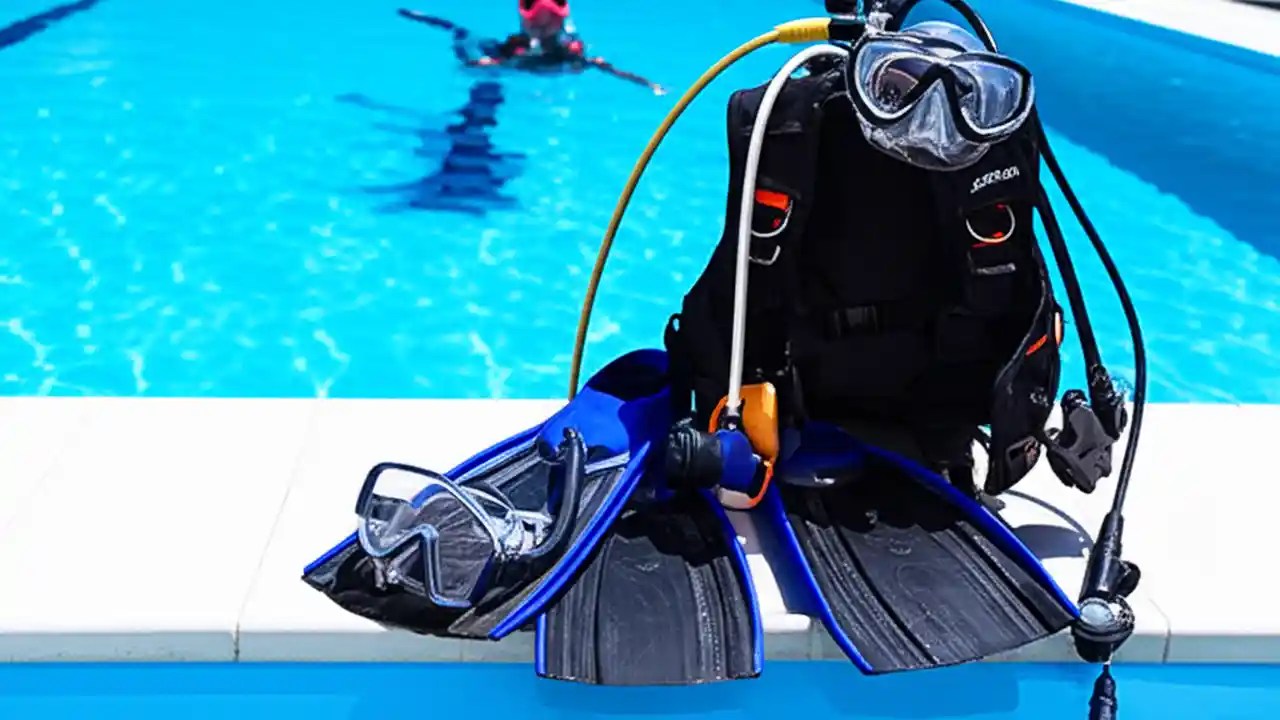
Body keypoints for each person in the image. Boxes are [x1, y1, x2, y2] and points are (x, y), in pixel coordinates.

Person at [398, 3, 667, 95]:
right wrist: (469, 65)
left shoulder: (572, 55)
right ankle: (435, 22)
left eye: (547, 21)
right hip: (511, 55)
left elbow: (609, 68)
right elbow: (490, 64)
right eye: (535, 20)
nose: (541, 26)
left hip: (537, 61)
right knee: (464, 37)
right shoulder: (515, 51)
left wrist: (649, 84)